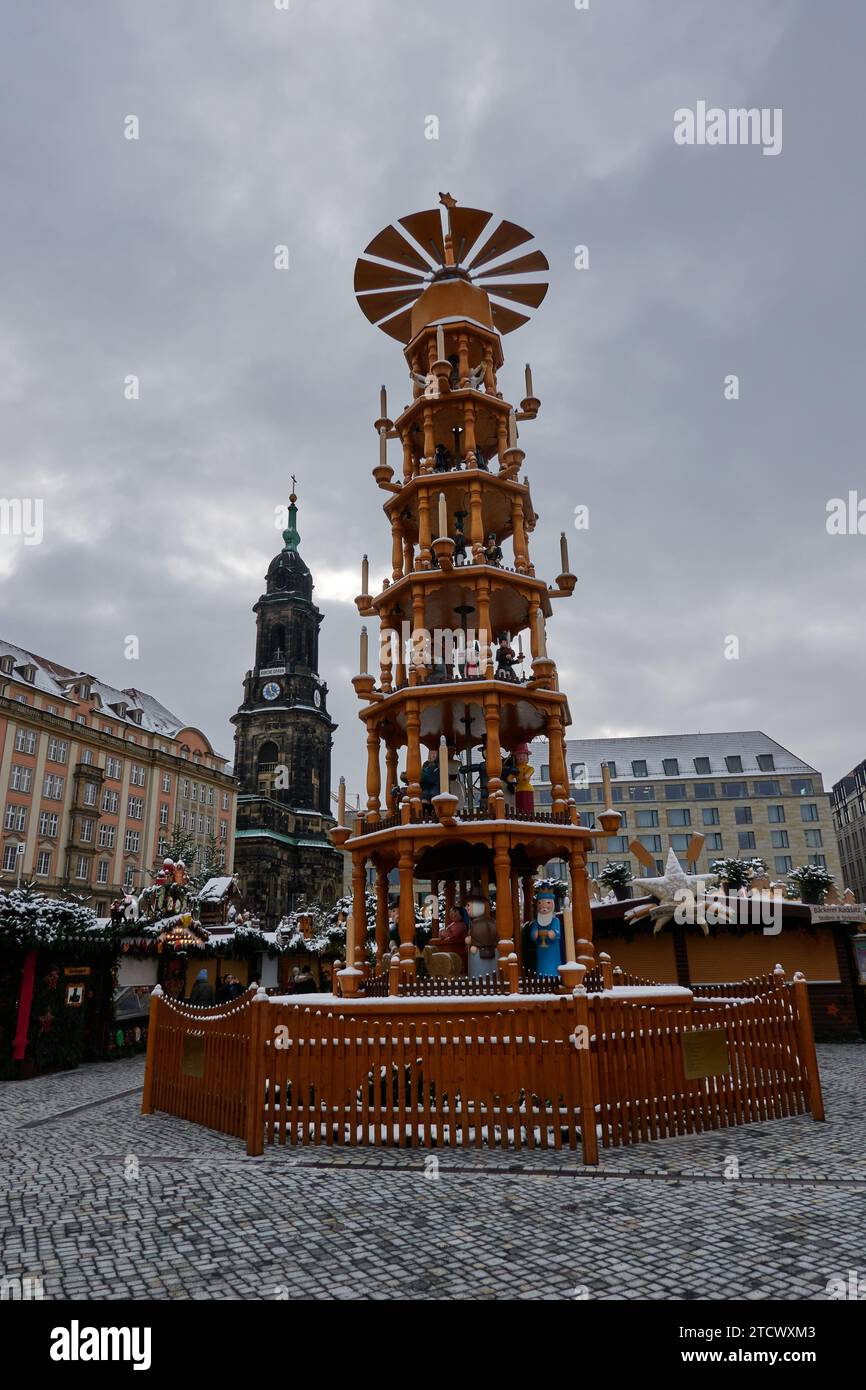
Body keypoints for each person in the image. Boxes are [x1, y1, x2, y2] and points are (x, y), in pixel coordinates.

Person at [528, 889, 564, 977]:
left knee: (552, 965)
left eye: (548, 903)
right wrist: (535, 934)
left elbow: (557, 932)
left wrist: (553, 933)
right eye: (540, 904)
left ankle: (554, 976)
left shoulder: (555, 920)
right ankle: (541, 976)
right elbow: (533, 933)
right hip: (541, 949)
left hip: (553, 950)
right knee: (542, 965)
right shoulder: (537, 922)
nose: (544, 908)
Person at [465, 890, 498, 979]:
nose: (467, 908)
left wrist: (471, 940)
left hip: (479, 953)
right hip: (485, 952)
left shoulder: (480, 923)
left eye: (469, 905)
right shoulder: (488, 921)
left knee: (480, 972)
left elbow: (480, 935)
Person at [439, 905, 468, 971]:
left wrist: (444, 933)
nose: (453, 914)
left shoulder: (461, 925)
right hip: (451, 948)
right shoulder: (452, 924)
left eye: (455, 912)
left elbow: (453, 935)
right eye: (451, 913)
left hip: (458, 948)